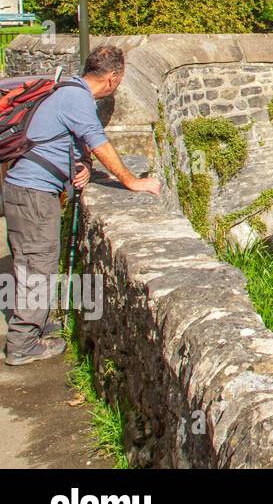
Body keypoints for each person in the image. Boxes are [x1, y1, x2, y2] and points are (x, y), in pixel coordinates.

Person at [2, 45, 160, 366]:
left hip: (24, 190)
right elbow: (97, 141)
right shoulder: (77, 99)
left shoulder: (68, 89)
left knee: (30, 262)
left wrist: (79, 164)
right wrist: (131, 181)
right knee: (39, 263)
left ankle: (36, 324)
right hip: (33, 193)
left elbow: (58, 138)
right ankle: (21, 344)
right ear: (113, 78)